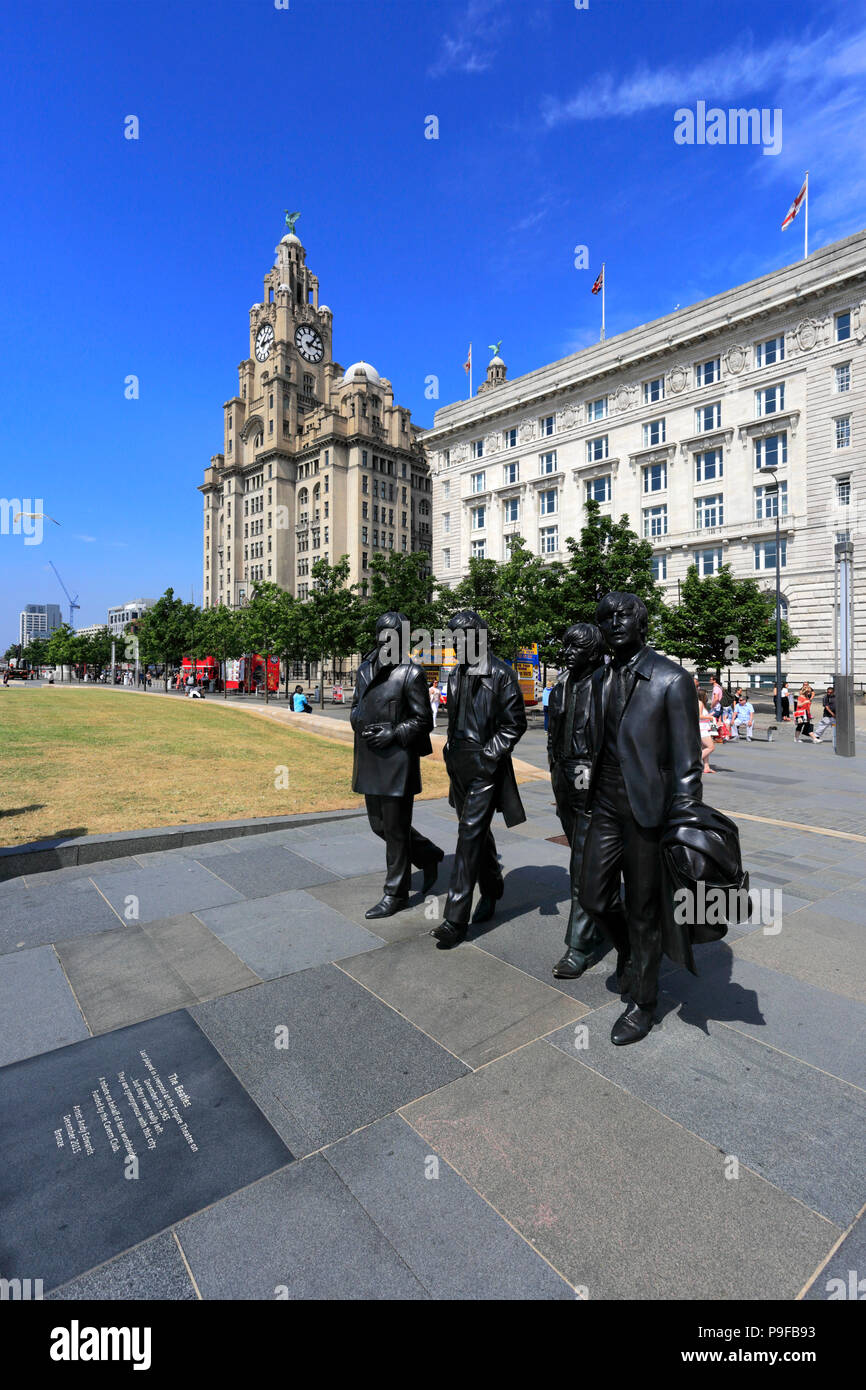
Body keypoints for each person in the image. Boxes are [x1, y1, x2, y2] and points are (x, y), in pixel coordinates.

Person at [578, 591, 703, 1046]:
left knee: (645, 909)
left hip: (649, 808)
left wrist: (685, 826)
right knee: (592, 895)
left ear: (641, 621)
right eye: (604, 617)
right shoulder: (599, 677)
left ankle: (645, 1003)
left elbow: (688, 764)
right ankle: (629, 951)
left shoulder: (671, 680)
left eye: (622, 614)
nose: (613, 622)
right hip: (605, 802)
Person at [431, 610, 527, 948]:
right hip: (458, 764)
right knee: (477, 833)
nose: (454, 644)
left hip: (485, 766)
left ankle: (454, 920)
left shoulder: (500, 674)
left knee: (468, 836)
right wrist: (448, 751)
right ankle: (493, 886)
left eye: (459, 637)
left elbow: (514, 724)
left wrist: (489, 754)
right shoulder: (456, 673)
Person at [350, 612, 443, 918]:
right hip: (369, 757)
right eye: (384, 633)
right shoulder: (364, 669)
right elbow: (356, 706)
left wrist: (394, 732)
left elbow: (423, 720)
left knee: (395, 829)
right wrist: (357, 720)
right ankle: (428, 854)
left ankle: (396, 893)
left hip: (397, 762)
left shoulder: (410, 673)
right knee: (380, 826)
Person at [547, 622, 608, 979]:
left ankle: (579, 945)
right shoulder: (562, 686)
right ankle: (604, 913)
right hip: (565, 780)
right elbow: (554, 734)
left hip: (595, 782)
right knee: (583, 856)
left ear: (593, 652)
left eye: (575, 648)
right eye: (566, 646)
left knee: (582, 864)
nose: (567, 653)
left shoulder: (608, 684)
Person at [697, 689, 718, 772]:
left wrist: (710, 715)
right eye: (706, 694)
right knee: (711, 747)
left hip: (703, 728)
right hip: (702, 729)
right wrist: (710, 717)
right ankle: (693, 762)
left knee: (705, 747)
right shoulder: (700, 703)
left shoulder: (700, 703)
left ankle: (706, 767)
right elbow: (699, 716)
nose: (707, 696)